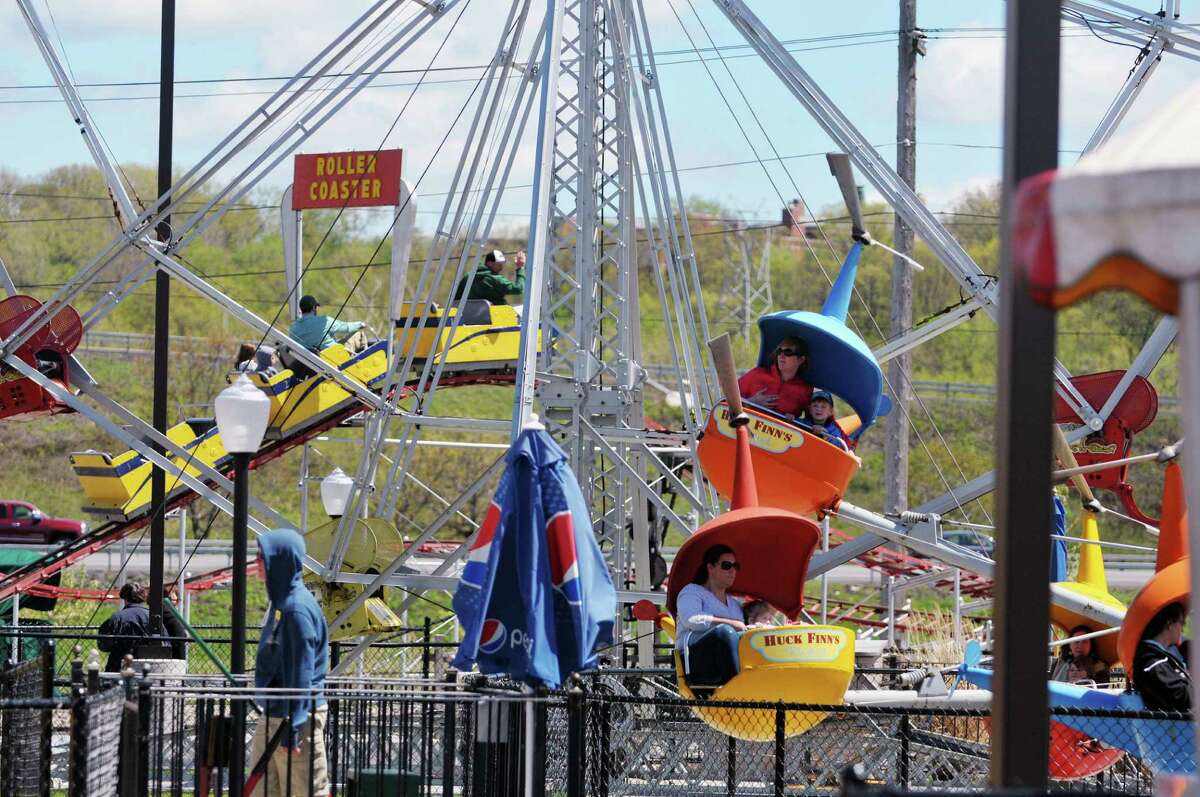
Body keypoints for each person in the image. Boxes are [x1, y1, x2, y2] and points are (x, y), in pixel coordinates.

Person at [250, 529, 330, 797]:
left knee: (304, 791)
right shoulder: (281, 603)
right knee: (262, 789)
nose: (257, 561)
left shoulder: (296, 609)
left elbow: (301, 671)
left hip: (296, 717)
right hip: (274, 712)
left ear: (280, 560)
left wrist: (293, 727)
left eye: (263, 556)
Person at [675, 544, 745, 689]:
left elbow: (741, 630)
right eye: (726, 565)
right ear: (710, 568)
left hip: (727, 661)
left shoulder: (735, 604)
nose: (732, 571)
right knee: (725, 632)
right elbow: (692, 619)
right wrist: (731, 624)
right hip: (695, 663)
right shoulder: (692, 592)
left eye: (735, 566)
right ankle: (738, 689)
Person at [96, 581, 187, 672]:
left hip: (119, 667)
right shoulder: (154, 618)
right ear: (143, 597)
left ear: (125, 598)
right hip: (148, 669)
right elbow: (166, 644)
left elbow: (103, 645)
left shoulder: (117, 618)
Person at [1132, 602, 1191, 712]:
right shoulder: (1152, 662)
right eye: (1182, 623)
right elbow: (1183, 699)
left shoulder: (1158, 657)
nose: (1182, 630)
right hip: (1170, 726)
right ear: (1169, 624)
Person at [737, 336, 813, 419]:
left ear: (801, 360)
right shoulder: (756, 374)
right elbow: (727, 399)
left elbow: (814, 421)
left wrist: (795, 420)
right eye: (779, 351)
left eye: (788, 352)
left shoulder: (805, 390)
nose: (781, 355)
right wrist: (751, 402)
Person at [287, 294, 367, 355]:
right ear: (314, 308)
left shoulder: (293, 328)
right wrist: (361, 324)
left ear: (301, 309)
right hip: (333, 359)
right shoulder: (324, 321)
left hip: (310, 365)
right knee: (358, 333)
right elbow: (347, 328)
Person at [454, 249, 526, 305]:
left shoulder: (467, 277)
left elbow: (456, 300)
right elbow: (518, 288)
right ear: (490, 263)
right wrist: (520, 267)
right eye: (499, 265)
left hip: (471, 320)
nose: (501, 268)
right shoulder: (495, 279)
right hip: (497, 318)